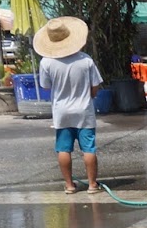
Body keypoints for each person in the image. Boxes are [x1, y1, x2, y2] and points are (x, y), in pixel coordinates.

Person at [33, 17, 104, 194]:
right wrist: (89, 97)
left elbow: (46, 85)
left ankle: (70, 185)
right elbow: (95, 86)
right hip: (84, 110)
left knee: (64, 148)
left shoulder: (46, 62)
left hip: (61, 112)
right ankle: (92, 185)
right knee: (89, 148)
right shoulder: (85, 60)